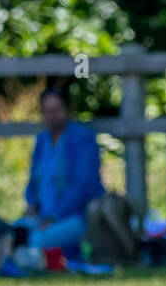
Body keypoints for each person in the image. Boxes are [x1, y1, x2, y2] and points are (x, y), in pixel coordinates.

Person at [18, 87, 105, 255]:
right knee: (14, 234)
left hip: (76, 217)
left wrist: (54, 217)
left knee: (35, 241)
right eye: (48, 111)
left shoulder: (82, 139)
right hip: (42, 217)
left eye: (58, 109)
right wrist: (32, 205)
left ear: (66, 109)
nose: (53, 115)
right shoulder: (42, 141)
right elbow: (33, 182)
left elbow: (82, 187)